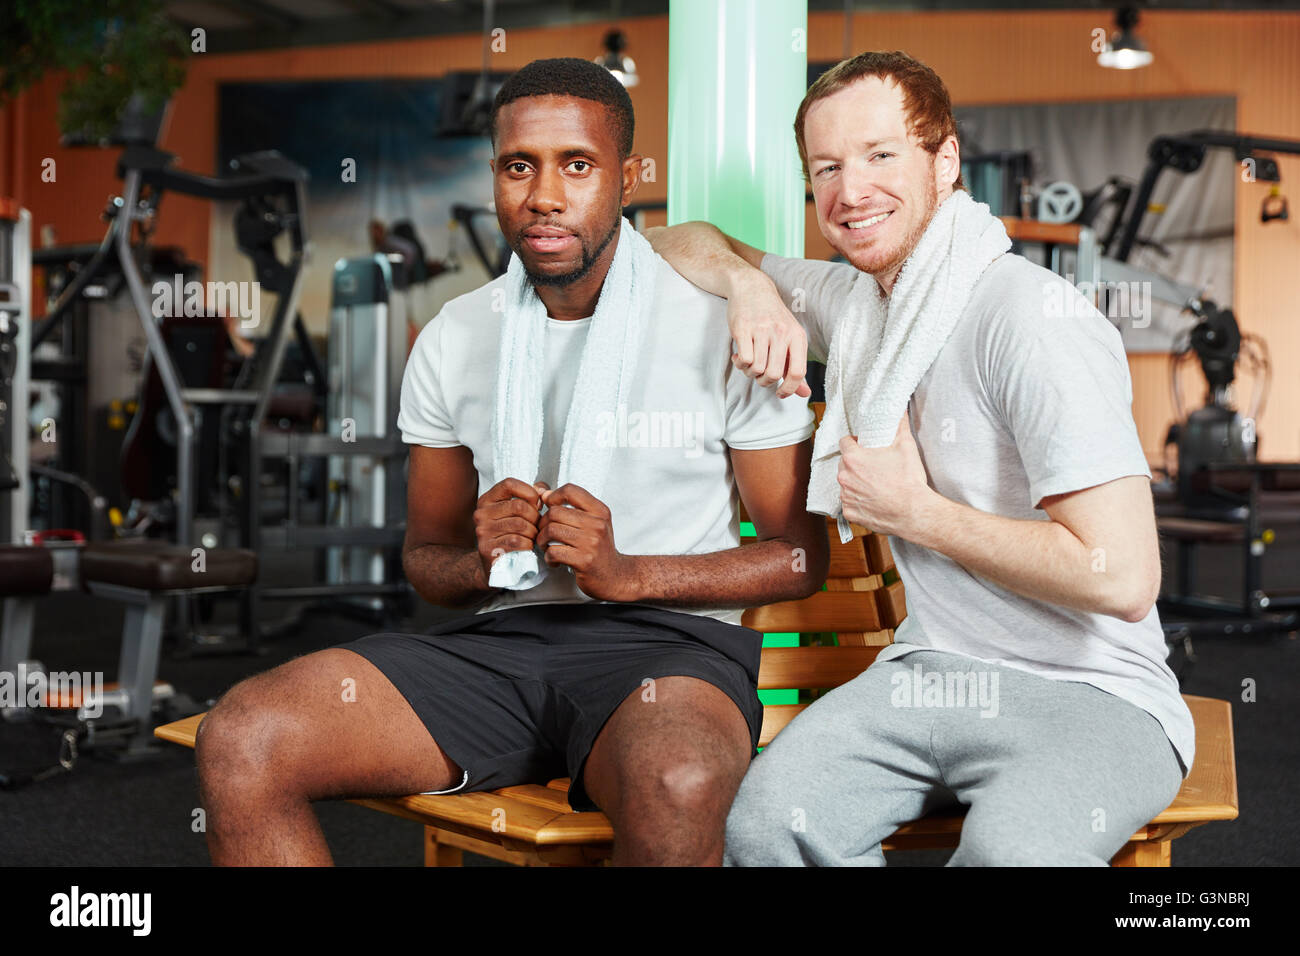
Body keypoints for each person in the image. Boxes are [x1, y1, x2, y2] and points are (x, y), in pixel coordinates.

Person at [193, 57, 827, 867]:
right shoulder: (458, 335)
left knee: (679, 780)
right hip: (503, 644)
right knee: (244, 736)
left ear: (627, 178)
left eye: (578, 165)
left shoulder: (727, 331)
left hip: (671, 651)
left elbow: (802, 556)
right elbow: (427, 562)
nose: (545, 196)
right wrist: (482, 558)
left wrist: (631, 574)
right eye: (520, 166)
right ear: (496, 174)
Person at [647, 50, 1193, 866]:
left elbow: (1122, 578)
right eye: (826, 167)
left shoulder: (1030, 320)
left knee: (1013, 858)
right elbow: (673, 239)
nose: (850, 191)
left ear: (946, 160)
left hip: (1092, 690)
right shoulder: (861, 304)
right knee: (767, 828)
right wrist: (747, 286)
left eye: (879, 155)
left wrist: (916, 514)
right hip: (927, 671)